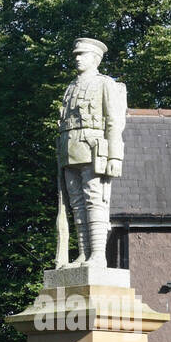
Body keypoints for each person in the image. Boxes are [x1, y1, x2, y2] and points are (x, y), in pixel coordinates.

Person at [55, 37, 127, 269]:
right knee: (76, 204)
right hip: (70, 150)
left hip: (95, 150)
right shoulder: (70, 88)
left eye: (82, 55)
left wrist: (115, 156)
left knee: (95, 201)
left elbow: (115, 121)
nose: (77, 59)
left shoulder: (105, 83)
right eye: (76, 55)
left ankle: (98, 255)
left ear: (95, 59)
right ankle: (84, 254)